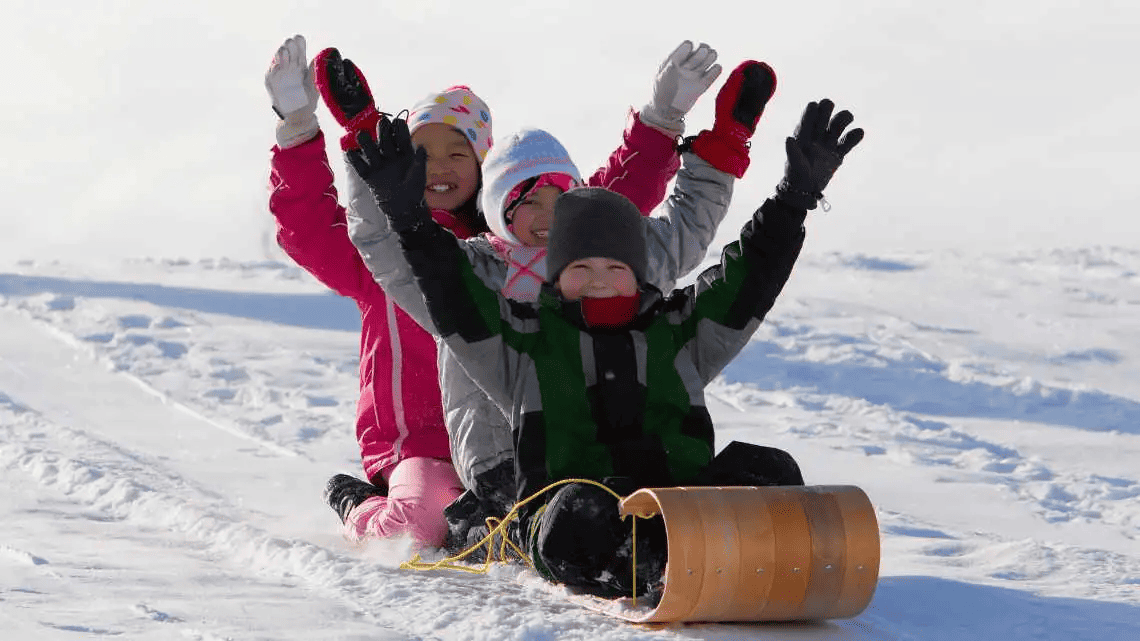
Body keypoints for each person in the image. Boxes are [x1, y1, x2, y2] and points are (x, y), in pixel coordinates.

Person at [349, 90, 864, 597]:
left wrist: (792, 200)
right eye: (580, 268)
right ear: (556, 275)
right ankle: (655, 567)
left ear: (639, 273)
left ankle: (767, 557)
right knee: (575, 516)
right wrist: (410, 221)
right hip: (568, 505)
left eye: (614, 267)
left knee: (768, 467)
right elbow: (449, 289)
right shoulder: (524, 344)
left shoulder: (677, 332)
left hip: (675, 501)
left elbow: (745, 282)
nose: (598, 281)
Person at [263, 34, 720, 547]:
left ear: (486, 167)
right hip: (425, 446)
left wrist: (661, 120)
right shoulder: (384, 254)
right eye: (421, 154)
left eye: (458, 153)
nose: (439, 167)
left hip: (522, 437)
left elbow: (607, 201)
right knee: (418, 528)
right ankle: (361, 503)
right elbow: (308, 227)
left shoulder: (521, 243)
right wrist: (297, 127)